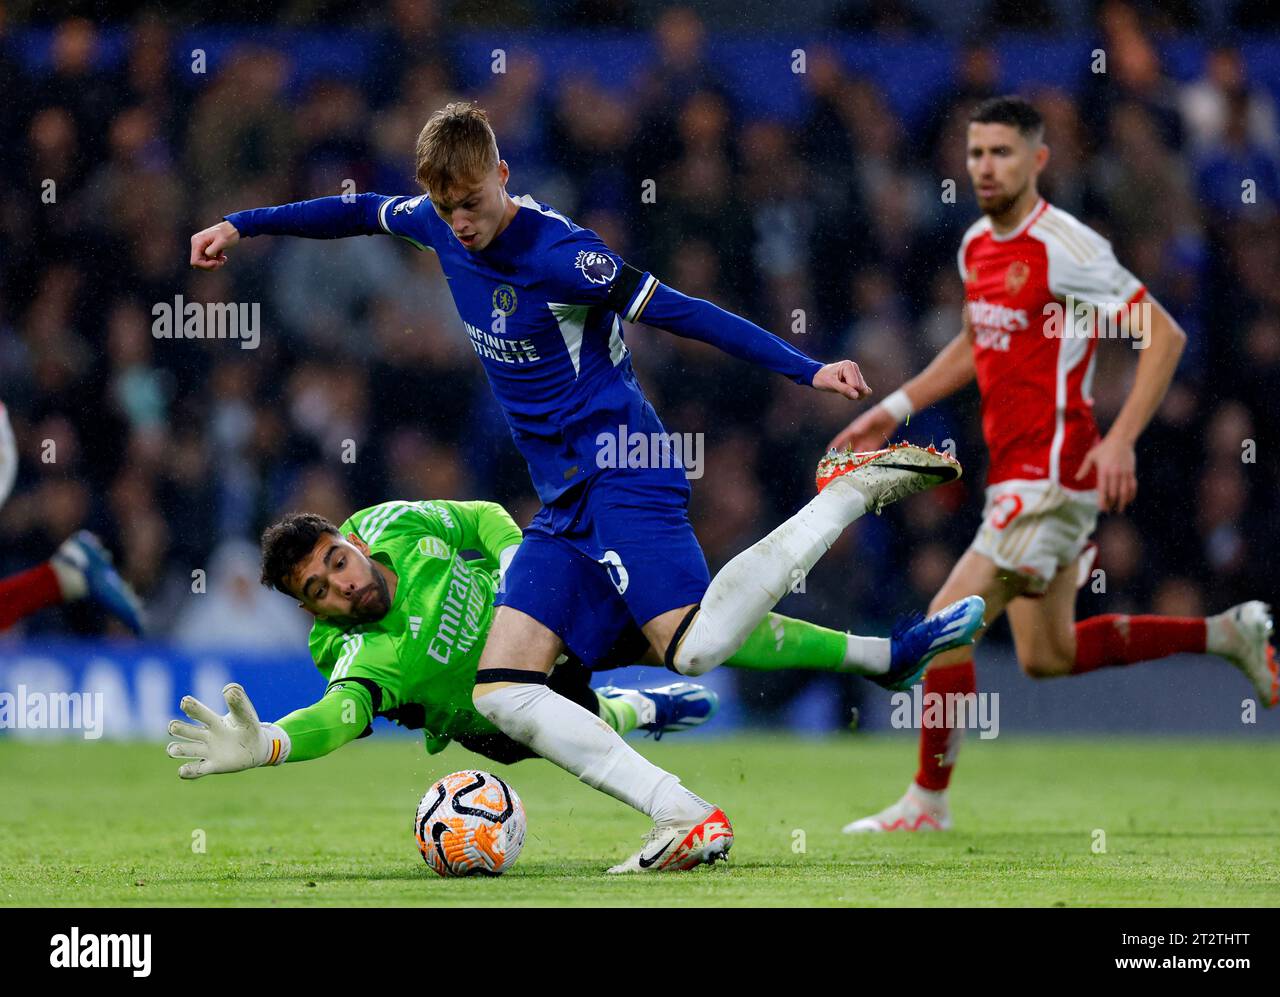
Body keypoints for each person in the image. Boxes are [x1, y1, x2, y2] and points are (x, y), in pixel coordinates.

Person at [189, 101, 963, 872]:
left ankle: (847, 493)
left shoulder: (564, 256)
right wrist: (242, 223)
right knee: (500, 691)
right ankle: (686, 812)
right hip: (563, 498)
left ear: (502, 174)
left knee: (690, 648)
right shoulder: (432, 217)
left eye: (472, 203)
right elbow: (355, 210)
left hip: (624, 463)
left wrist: (809, 368)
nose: (459, 222)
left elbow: (685, 312)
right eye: (445, 207)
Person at [829, 96, 1280, 834]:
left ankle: (927, 801)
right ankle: (1225, 633)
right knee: (1047, 654)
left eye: (1002, 153)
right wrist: (898, 404)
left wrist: (1122, 436)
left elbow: (1161, 335)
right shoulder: (977, 243)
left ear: (1039, 160)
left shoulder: (1067, 246)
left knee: (946, 620)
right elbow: (980, 341)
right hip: (1015, 471)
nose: (985, 166)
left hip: (1056, 469)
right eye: (976, 153)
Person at [166, 497, 984, 799]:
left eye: (334, 563)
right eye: (319, 590)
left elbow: (485, 516)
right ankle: (635, 709)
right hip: (500, 711)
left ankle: (883, 655)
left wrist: (523, 571)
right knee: (552, 726)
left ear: (347, 539)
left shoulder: (391, 523)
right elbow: (337, 717)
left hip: (546, 612)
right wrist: (271, 742)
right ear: (311, 610)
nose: (340, 587)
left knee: (694, 633)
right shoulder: (352, 654)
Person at [0, 401, 144, 635]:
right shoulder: (22, 477)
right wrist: (34, 510)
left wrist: (71, 522)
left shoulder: (87, 483)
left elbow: (104, 538)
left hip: (80, 597)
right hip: (29, 576)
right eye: (49, 437)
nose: (55, 445)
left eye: (62, 436)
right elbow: (8, 528)